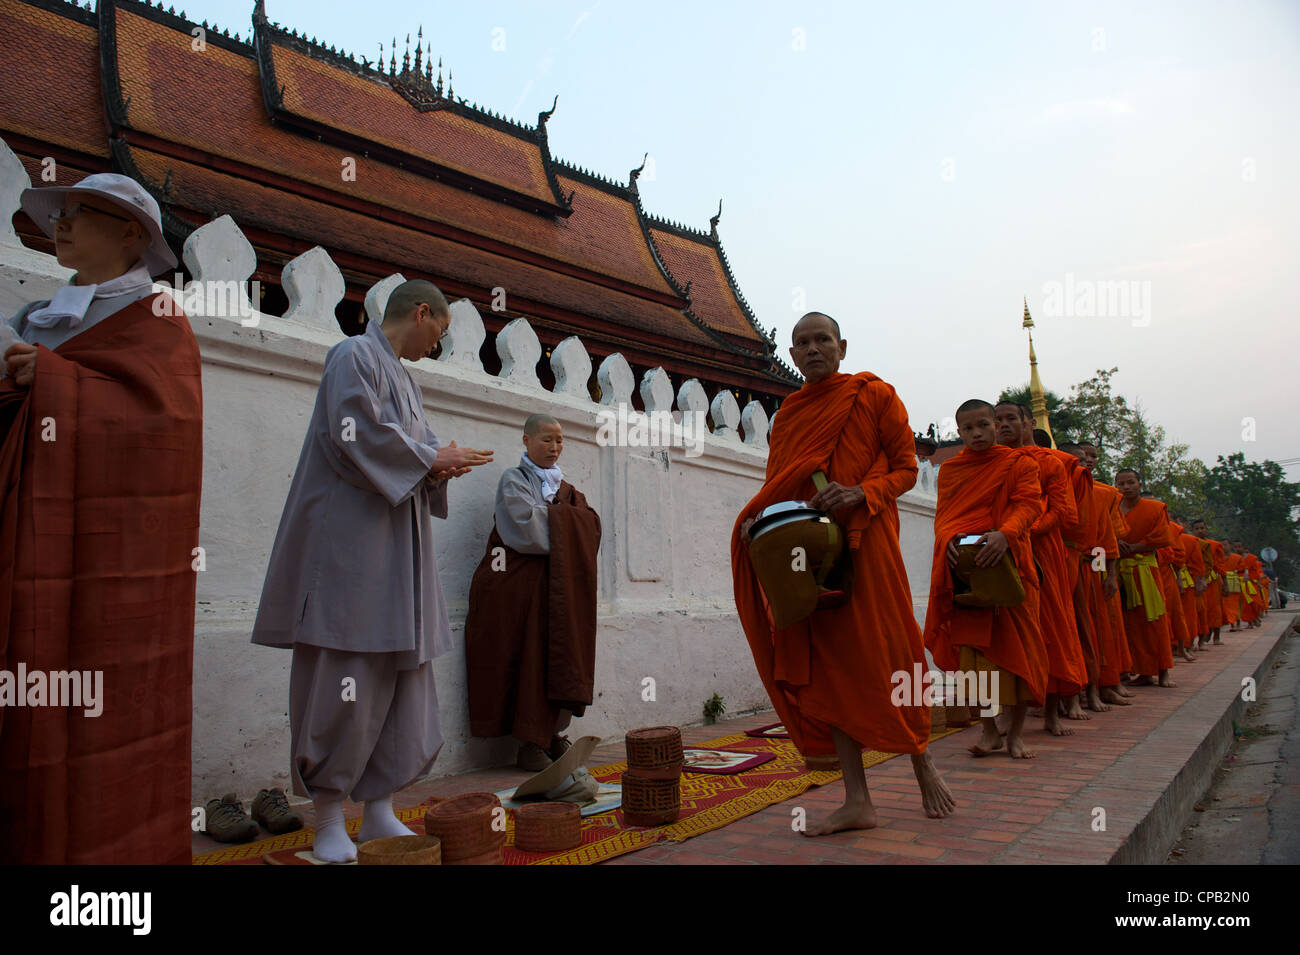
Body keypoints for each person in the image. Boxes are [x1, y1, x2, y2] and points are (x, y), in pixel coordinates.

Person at [250, 279, 493, 863]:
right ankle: (330, 817)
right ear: (422, 313)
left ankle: (379, 808)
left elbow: (416, 451)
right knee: (345, 668)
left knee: (400, 672)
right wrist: (432, 459)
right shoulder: (352, 356)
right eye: (441, 331)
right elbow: (349, 434)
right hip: (350, 553)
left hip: (400, 553)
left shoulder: (406, 380)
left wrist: (440, 467)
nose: (439, 345)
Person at [0, 173, 202, 863]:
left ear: (130, 234)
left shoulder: (160, 322)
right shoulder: (36, 315)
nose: (58, 223)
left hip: (120, 571)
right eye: (55, 213)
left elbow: (162, 426)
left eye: (76, 213)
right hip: (29, 540)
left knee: (111, 723)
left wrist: (54, 381)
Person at [732, 312, 954, 834]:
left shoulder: (873, 395)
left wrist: (860, 493)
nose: (813, 349)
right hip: (805, 548)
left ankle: (922, 758)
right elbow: (779, 483)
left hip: (867, 539)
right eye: (802, 343)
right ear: (792, 354)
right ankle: (858, 799)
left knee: (889, 649)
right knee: (826, 662)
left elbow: (904, 469)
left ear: (842, 346)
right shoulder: (789, 413)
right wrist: (757, 519)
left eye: (822, 340)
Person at [465, 414, 602, 771]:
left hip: (558, 592)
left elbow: (589, 528)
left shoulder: (565, 489)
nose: (554, 447)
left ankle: (553, 735)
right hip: (519, 591)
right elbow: (528, 530)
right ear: (526, 441)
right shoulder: (514, 480)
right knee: (528, 660)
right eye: (546, 440)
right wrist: (571, 521)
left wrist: (566, 518)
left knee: (559, 658)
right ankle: (529, 743)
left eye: (559, 441)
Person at [924, 399, 1048, 760]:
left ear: (995, 425)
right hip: (966, 570)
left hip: (1010, 564)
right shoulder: (950, 471)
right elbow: (944, 517)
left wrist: (1005, 534)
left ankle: (1016, 736)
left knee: (1018, 652)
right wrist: (946, 542)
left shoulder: (1018, 463)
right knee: (975, 657)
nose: (977, 434)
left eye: (983, 425)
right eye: (968, 428)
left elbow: (1030, 505)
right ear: (959, 432)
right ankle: (990, 730)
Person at [992, 403, 1086, 736]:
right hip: (1002, 549)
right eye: (998, 420)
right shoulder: (992, 461)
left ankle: (1051, 713)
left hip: (1041, 549)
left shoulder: (1051, 462)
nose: (1003, 425)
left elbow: (1063, 511)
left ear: (1029, 422)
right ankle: (1005, 711)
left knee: (1050, 627)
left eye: (1010, 419)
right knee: (1008, 630)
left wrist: (1027, 529)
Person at [1113, 469, 1176, 688]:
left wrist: (1133, 548)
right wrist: (1115, 545)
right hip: (1120, 571)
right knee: (1129, 624)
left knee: (1154, 621)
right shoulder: (1113, 507)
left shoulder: (1155, 508)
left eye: (1131, 482)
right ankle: (1141, 672)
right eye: (1121, 484)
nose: (1126, 487)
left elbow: (1162, 538)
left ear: (1140, 484)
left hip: (1145, 571)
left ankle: (1163, 670)